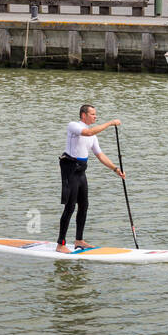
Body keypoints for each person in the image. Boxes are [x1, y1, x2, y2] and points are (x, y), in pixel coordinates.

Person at [57, 105, 124, 253]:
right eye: (93, 114)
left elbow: (100, 155)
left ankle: (79, 240)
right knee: (70, 208)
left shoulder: (93, 137)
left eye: (96, 115)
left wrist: (115, 169)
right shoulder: (74, 126)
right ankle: (60, 244)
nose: (95, 117)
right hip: (70, 170)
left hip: (81, 172)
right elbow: (87, 132)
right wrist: (110, 123)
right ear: (83, 115)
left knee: (84, 205)